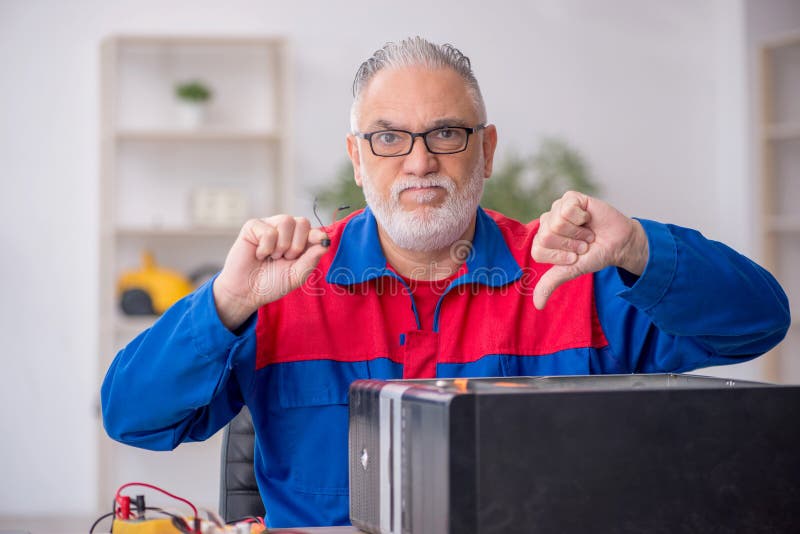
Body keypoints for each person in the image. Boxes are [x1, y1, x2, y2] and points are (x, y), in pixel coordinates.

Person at [101, 37, 790, 528]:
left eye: (447, 134)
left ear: (486, 150)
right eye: (389, 137)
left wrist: (640, 247)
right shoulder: (282, 291)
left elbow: (758, 322)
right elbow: (132, 416)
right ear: (357, 158)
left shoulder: (574, 276)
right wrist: (226, 304)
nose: (420, 161)